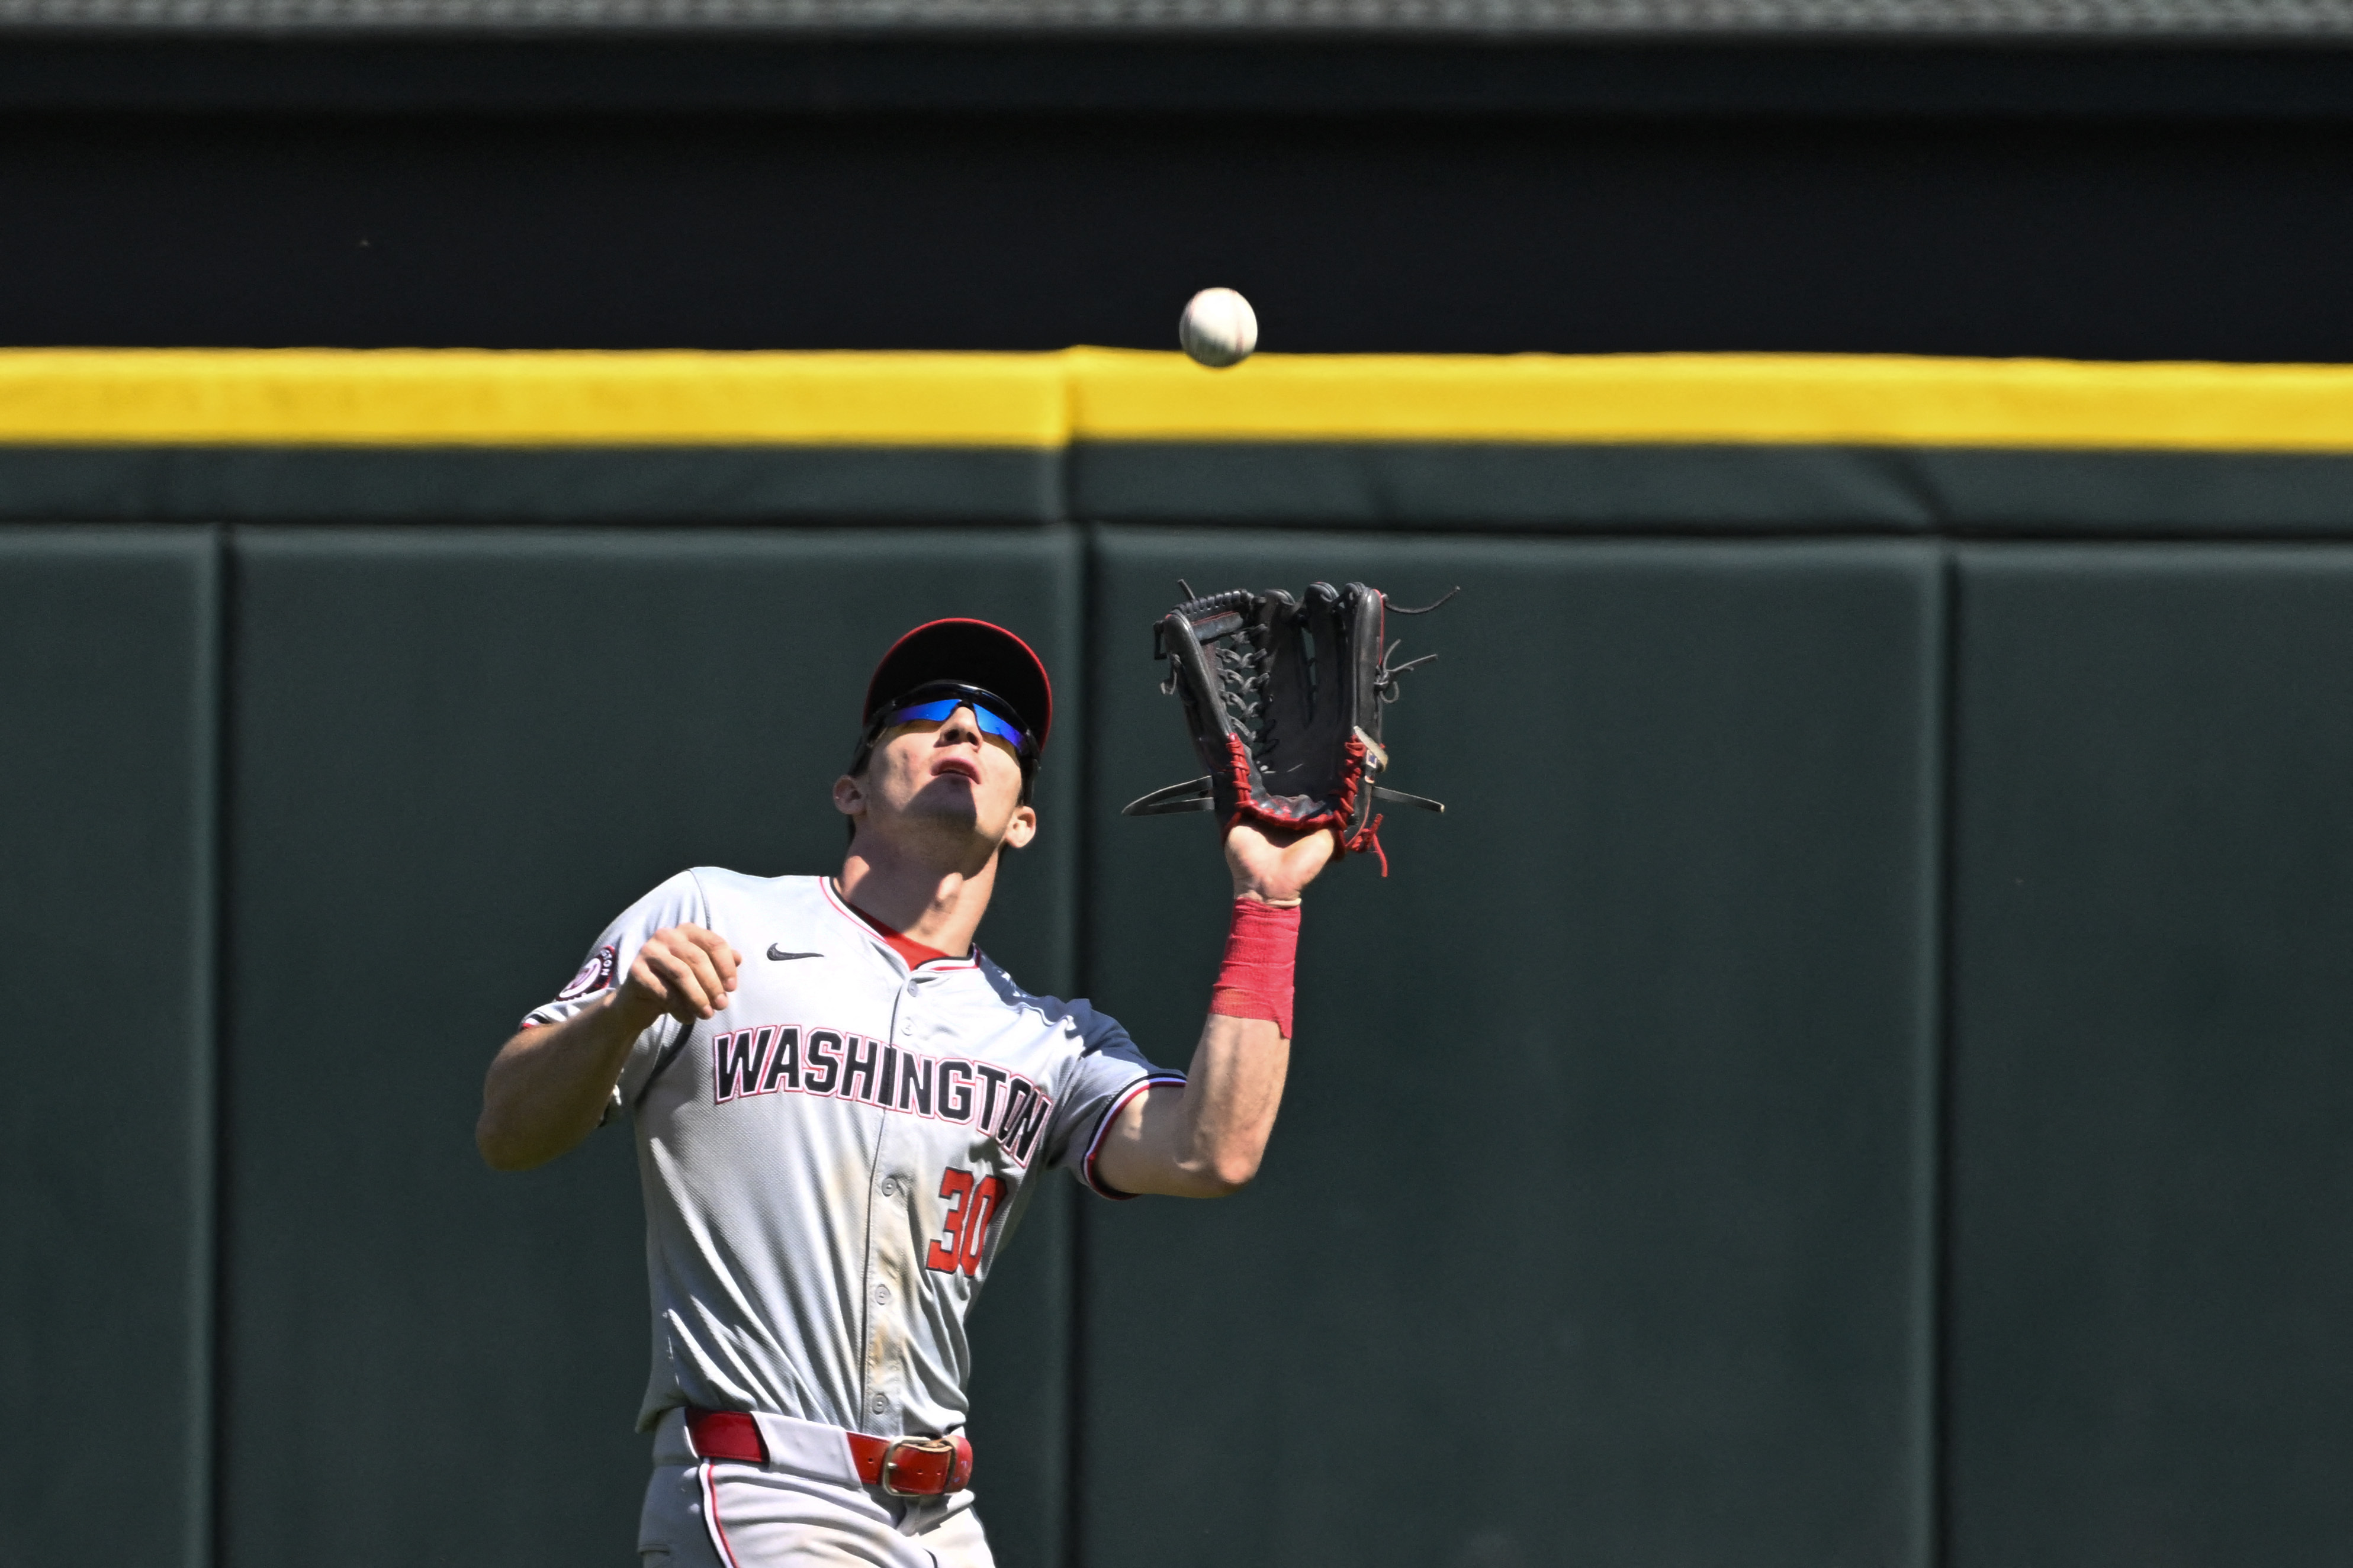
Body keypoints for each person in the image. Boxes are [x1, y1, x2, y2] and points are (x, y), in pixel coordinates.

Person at [475, 617, 1332, 1568]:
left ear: (1022, 820)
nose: (965, 727)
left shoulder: (1049, 1037)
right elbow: (508, 1130)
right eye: (925, 715)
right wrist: (624, 1011)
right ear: (851, 790)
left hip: (941, 1521)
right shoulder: (715, 914)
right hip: (761, 1490)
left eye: (1001, 731)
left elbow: (1211, 1149)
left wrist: (1270, 904)